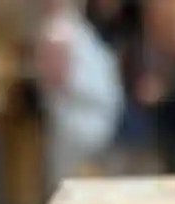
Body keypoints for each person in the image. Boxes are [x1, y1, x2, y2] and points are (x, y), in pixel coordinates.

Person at [35, 0, 122, 184]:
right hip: (78, 124)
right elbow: (55, 77)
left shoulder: (73, 27)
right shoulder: (56, 31)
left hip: (90, 126)